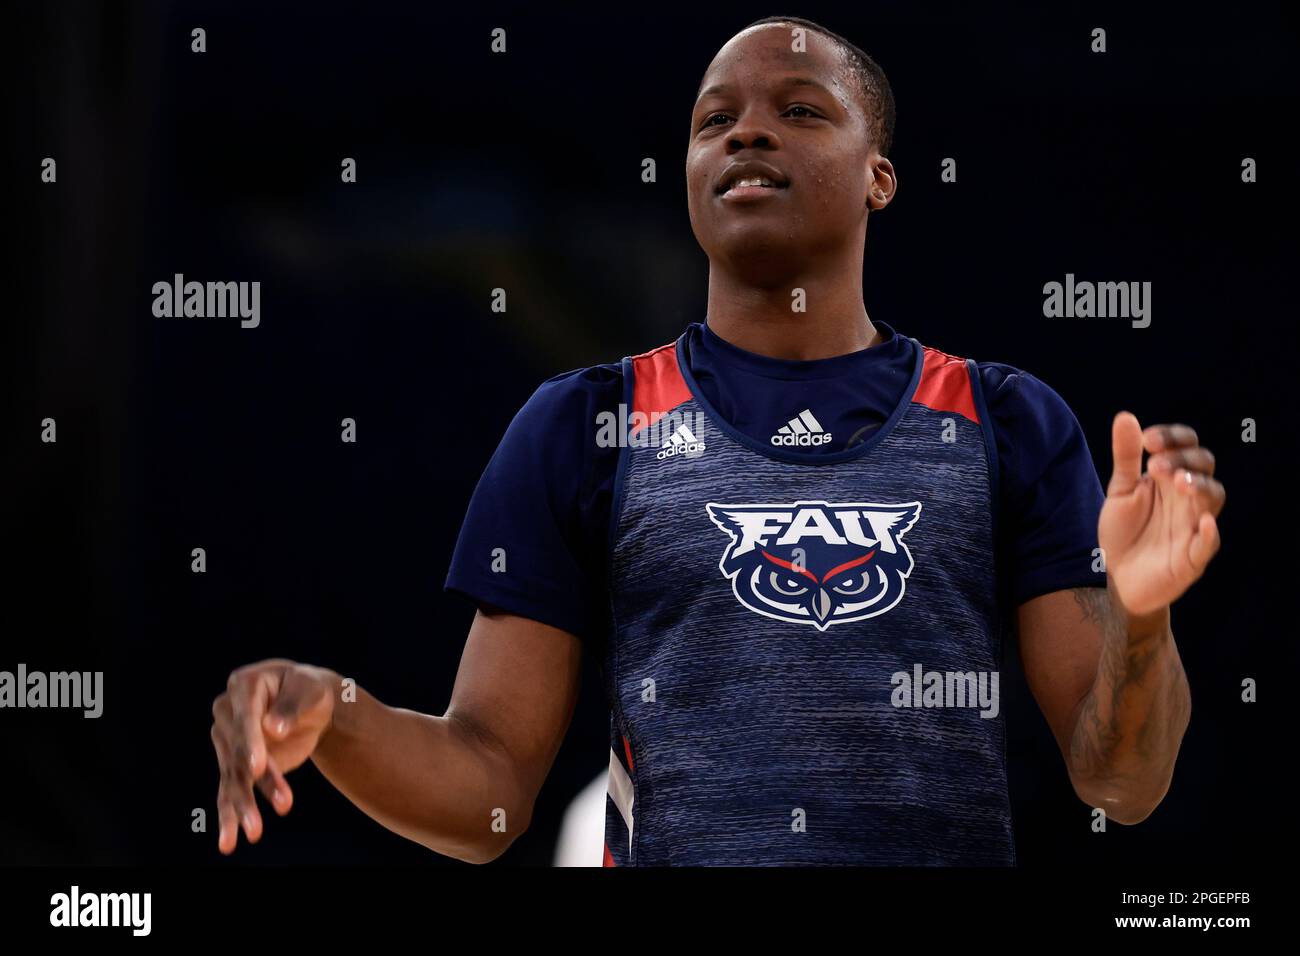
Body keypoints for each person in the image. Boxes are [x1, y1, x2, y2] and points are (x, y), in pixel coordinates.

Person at [209, 17, 1225, 865]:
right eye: (714, 120)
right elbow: (488, 794)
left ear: (880, 176)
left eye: (797, 110)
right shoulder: (583, 424)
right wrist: (338, 713)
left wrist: (1140, 618)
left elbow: (1120, 782)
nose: (746, 135)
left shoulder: (1005, 418)